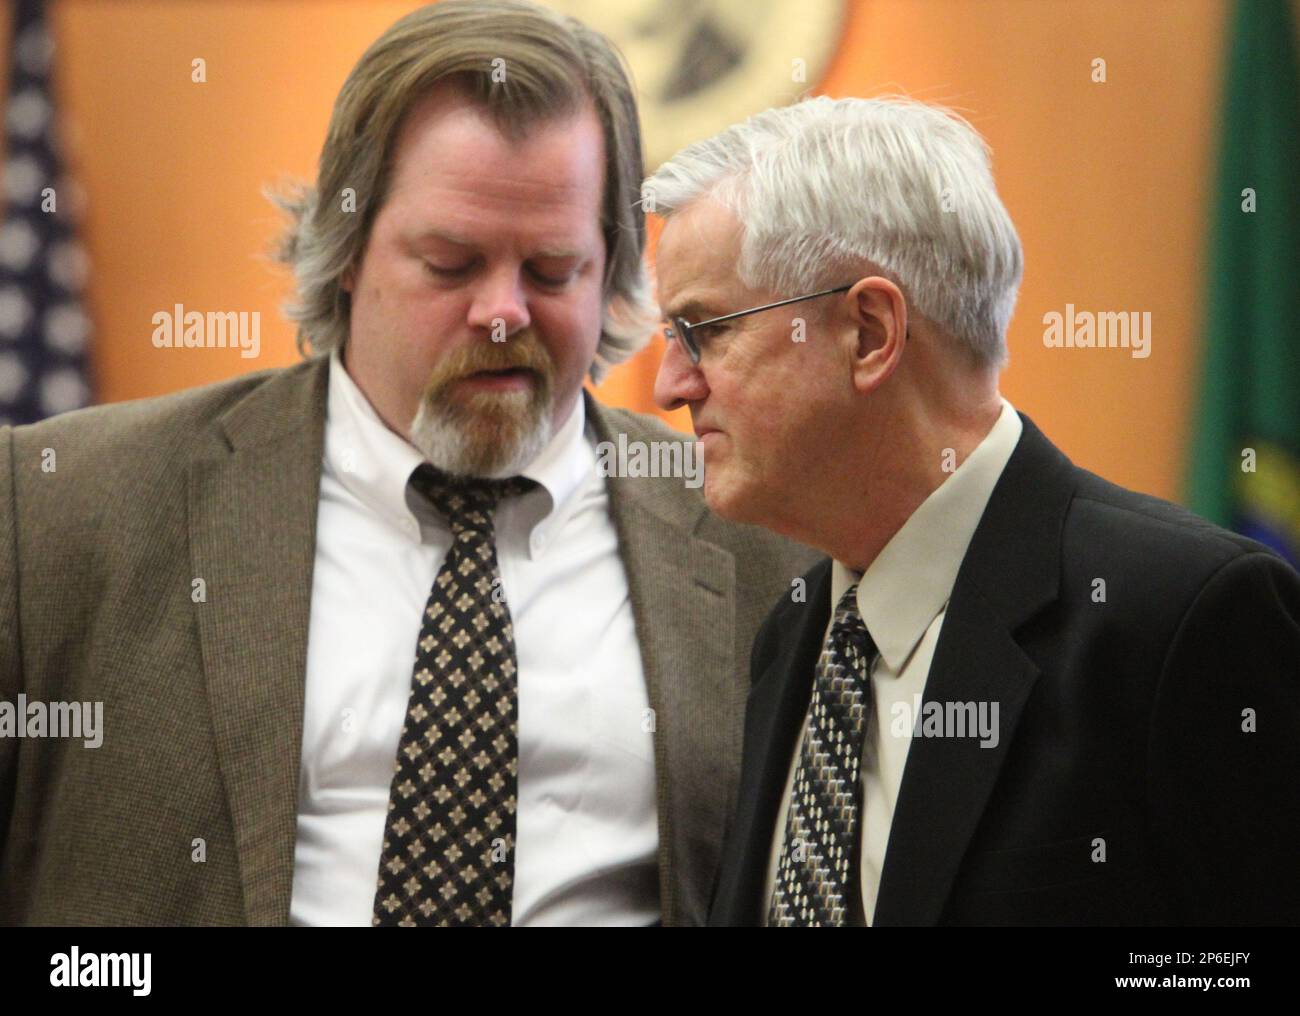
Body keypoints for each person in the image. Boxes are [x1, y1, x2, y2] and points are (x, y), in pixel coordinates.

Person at [0, 0, 817, 927]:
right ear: (346, 251)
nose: (503, 312)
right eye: (450, 262)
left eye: (553, 271)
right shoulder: (61, 509)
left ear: (613, 272)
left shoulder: (768, 546)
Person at [647, 95, 1300, 926]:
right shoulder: (793, 630)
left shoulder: (1182, 614)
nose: (671, 386)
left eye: (705, 331)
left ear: (870, 332)